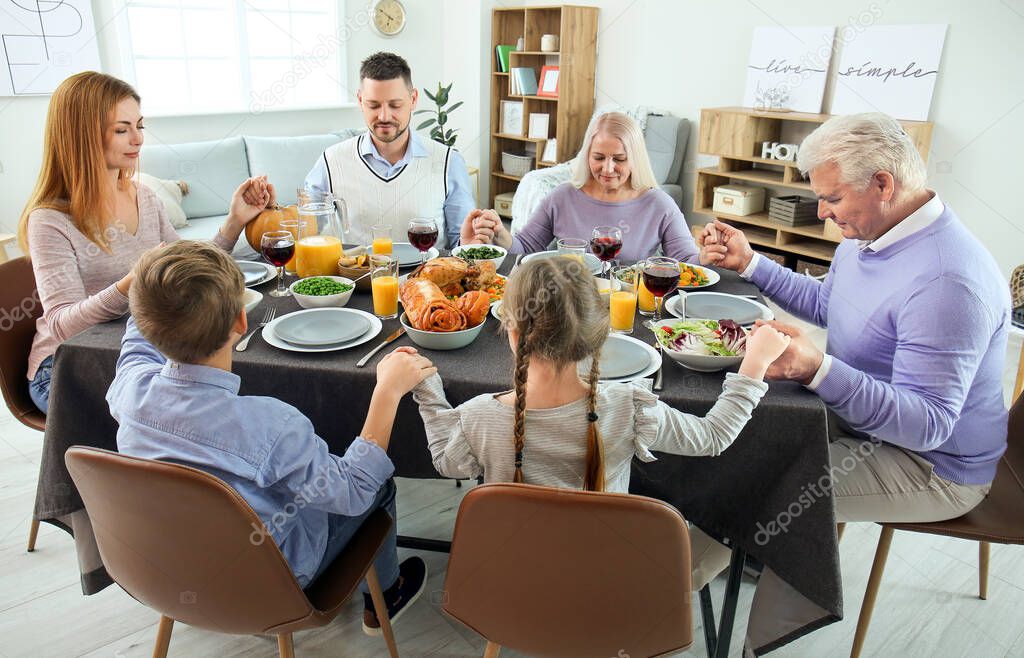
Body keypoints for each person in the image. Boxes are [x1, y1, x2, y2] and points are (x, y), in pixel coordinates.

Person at [697, 112, 1009, 581]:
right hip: (863, 417)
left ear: (883, 184)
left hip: (932, 465)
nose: (822, 212)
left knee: (762, 484)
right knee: (740, 432)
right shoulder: (875, 232)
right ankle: (712, 562)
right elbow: (829, 304)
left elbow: (928, 425)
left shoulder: (948, 282)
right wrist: (750, 262)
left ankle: (664, 599)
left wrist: (817, 370)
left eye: (832, 198)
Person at [107, 241, 435, 635]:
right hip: (273, 583)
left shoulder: (128, 388)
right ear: (241, 321)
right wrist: (387, 392)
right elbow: (354, 490)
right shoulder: (272, 425)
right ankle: (387, 593)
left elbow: (135, 344)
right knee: (378, 484)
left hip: (166, 572)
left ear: (146, 322)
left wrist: (151, 288)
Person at [412, 257, 790, 492]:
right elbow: (713, 437)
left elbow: (445, 460)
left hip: (512, 581)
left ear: (512, 332)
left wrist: (427, 388)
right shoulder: (629, 409)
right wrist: (754, 363)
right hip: (604, 580)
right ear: (599, 336)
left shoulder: (478, 418)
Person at [17, 71, 271, 414]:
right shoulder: (50, 220)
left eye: (139, 126)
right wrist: (131, 283)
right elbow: (63, 325)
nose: (137, 139)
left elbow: (188, 266)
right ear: (81, 135)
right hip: (67, 369)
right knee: (194, 412)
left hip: (139, 351)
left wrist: (235, 221)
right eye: (122, 130)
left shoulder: (145, 196)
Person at [462, 112, 705, 264]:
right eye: (598, 157)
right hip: (569, 308)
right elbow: (525, 248)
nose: (608, 168)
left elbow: (686, 261)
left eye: (619, 159)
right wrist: (500, 234)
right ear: (587, 155)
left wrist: (707, 256)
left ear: (635, 159)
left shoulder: (659, 204)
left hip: (628, 309)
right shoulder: (562, 197)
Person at [299, 51, 485, 249]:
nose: (384, 116)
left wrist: (470, 243)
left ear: (413, 99)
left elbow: (462, 243)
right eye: (373, 105)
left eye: (395, 105)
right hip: (357, 270)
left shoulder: (449, 161)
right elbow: (307, 234)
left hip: (430, 269)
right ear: (360, 100)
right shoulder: (331, 160)